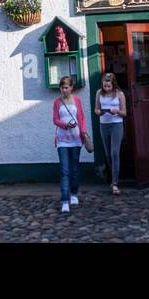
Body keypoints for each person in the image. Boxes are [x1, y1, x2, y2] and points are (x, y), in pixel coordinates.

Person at [52, 76, 89, 213]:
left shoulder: (77, 100)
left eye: (66, 87)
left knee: (74, 169)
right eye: (62, 87)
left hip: (76, 139)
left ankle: (74, 193)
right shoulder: (57, 102)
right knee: (64, 171)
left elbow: (82, 118)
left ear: (71, 88)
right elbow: (55, 119)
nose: (64, 90)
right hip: (62, 140)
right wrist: (64, 124)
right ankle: (65, 201)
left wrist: (83, 132)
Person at [94, 72, 127, 195]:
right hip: (104, 124)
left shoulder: (120, 94)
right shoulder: (98, 93)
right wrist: (99, 112)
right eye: (104, 86)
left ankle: (115, 182)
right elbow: (96, 109)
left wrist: (117, 111)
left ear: (113, 84)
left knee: (114, 152)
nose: (106, 88)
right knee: (108, 154)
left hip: (116, 124)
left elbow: (125, 113)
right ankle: (114, 173)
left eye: (108, 86)